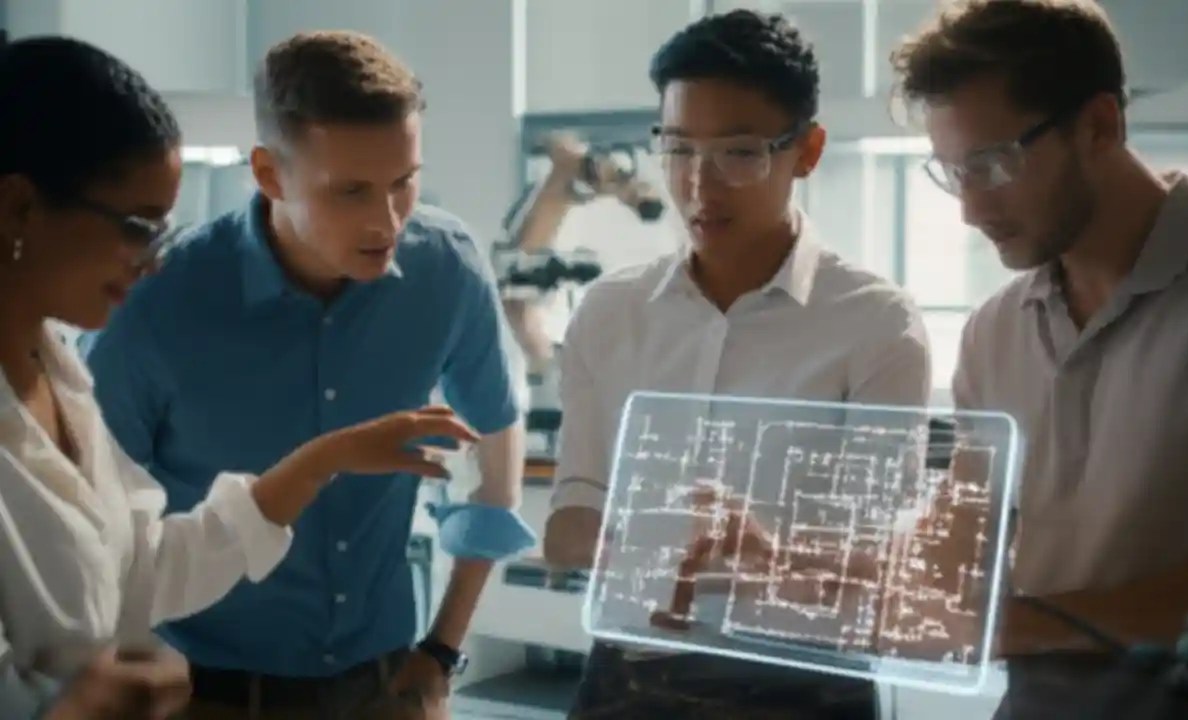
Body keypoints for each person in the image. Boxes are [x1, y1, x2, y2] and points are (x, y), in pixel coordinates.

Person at [0, 36, 480, 720]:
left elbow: (142, 570)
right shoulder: (147, 322)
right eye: (136, 227)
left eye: (162, 229)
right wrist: (75, 709)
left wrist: (321, 461)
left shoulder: (60, 375)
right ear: (19, 209)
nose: (151, 261)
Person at [889, 1, 1188, 717]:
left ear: (1100, 125)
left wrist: (1027, 625)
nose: (971, 210)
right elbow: (952, 560)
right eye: (953, 173)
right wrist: (785, 563)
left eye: (993, 164)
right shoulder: (993, 332)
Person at [543, 10, 932, 719]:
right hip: (629, 681)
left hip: (802, 690)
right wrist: (641, 549)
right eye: (678, 149)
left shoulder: (875, 322)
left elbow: (883, 562)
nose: (700, 184)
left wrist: (763, 552)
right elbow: (571, 518)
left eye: (740, 152)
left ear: (807, 151)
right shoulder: (610, 310)